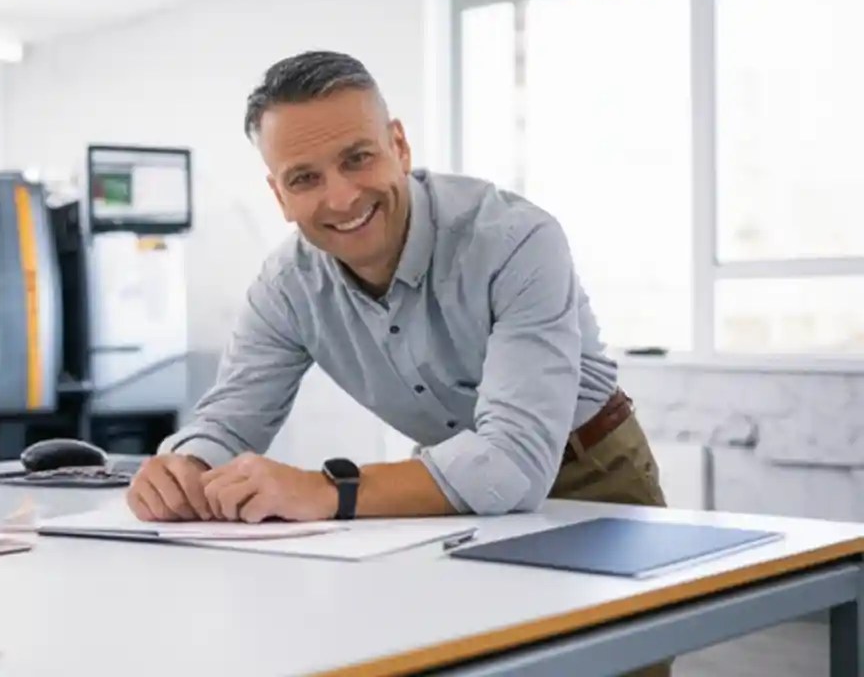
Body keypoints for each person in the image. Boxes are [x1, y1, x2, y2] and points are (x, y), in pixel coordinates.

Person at [127, 48, 666, 528]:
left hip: (591, 474)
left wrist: (322, 489)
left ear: (399, 147)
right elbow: (228, 422)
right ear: (280, 195)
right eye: (304, 178)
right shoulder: (286, 286)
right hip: (444, 488)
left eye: (357, 158)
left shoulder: (515, 240)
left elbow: (512, 466)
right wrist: (185, 467)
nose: (342, 198)